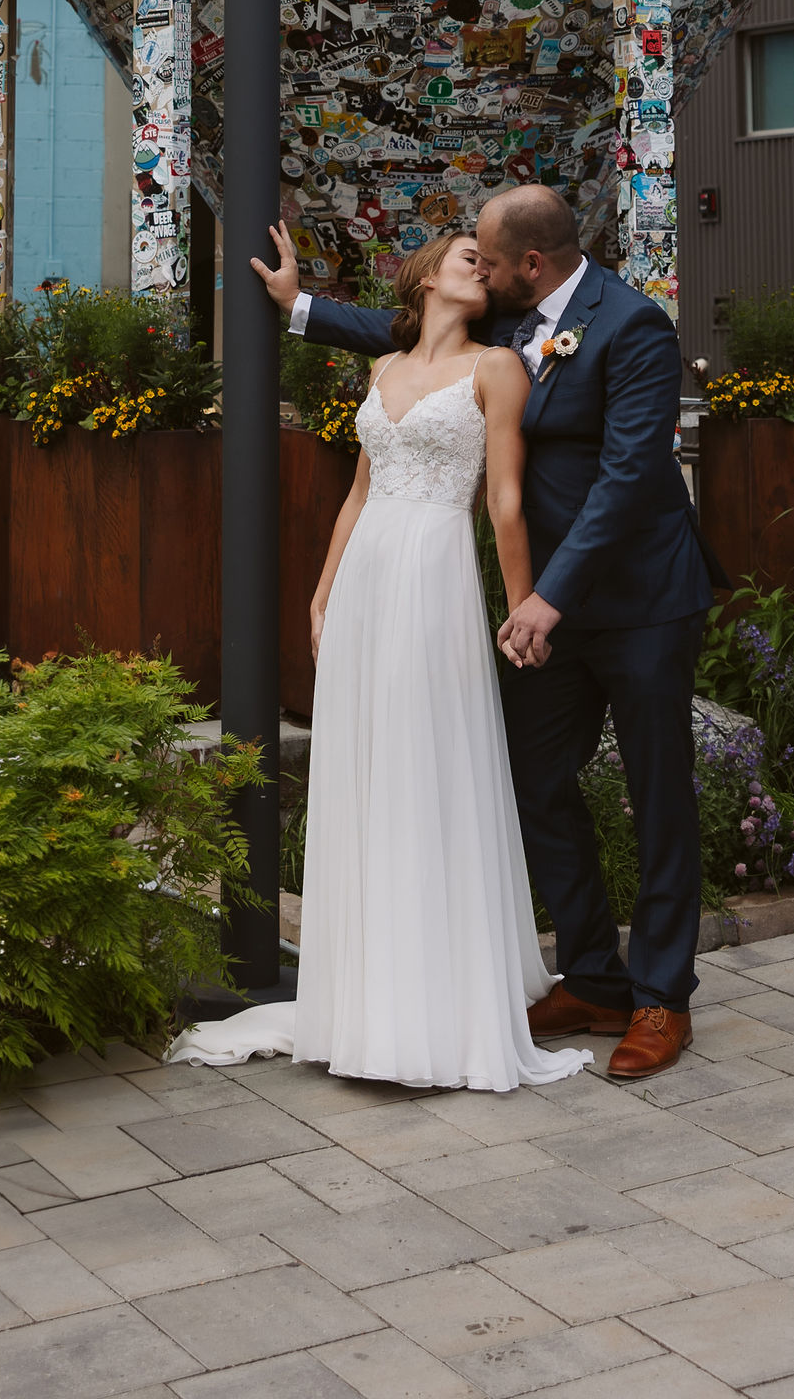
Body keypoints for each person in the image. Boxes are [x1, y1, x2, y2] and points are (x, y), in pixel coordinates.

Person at [259, 185, 719, 1080]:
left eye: (489, 256)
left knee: (661, 794)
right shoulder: (509, 326)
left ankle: (662, 997)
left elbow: (627, 477)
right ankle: (592, 975)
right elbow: (410, 342)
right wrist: (299, 306)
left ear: (529, 266)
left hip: (641, 601)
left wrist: (545, 595)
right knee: (534, 780)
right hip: (543, 606)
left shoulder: (633, 327)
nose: (480, 267)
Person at [169, 231, 591, 1092]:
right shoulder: (384, 369)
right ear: (427, 274)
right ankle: (364, 994)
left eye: (488, 255)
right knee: (363, 770)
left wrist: (520, 608)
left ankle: (432, 1001)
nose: (481, 259)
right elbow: (359, 489)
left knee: (427, 766)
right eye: (466, 251)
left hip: (435, 575)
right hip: (365, 583)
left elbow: (504, 498)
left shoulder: (500, 366)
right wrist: (323, 592)